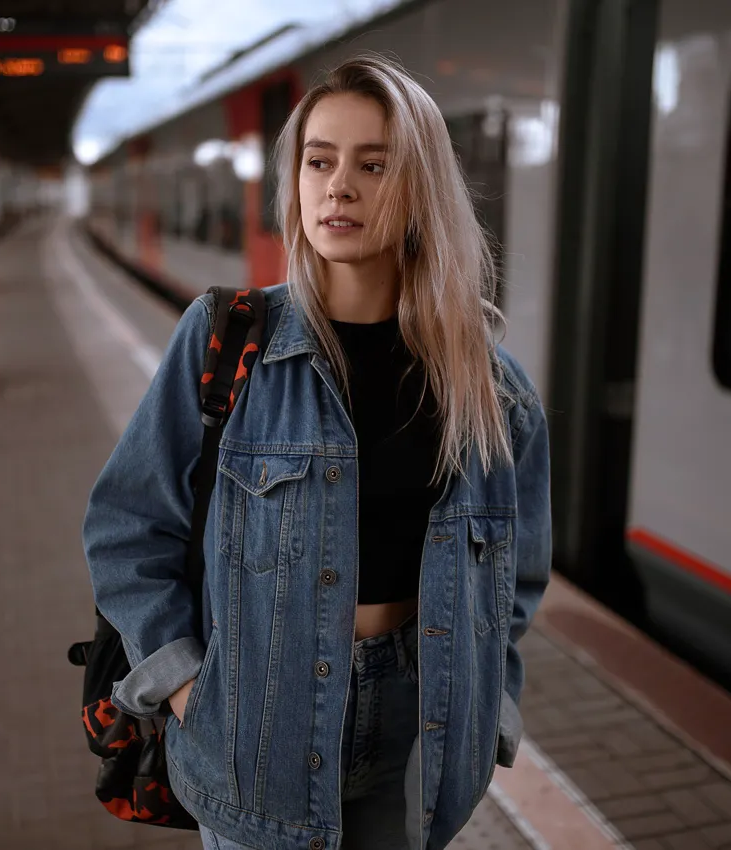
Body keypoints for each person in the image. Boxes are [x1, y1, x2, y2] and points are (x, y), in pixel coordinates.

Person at [83, 54, 551, 850]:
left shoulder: (491, 386)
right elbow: (127, 528)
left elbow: (515, 579)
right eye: (319, 160)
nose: (340, 186)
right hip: (258, 726)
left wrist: (489, 707)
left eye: (375, 164)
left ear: (422, 192)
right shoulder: (229, 342)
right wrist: (191, 689)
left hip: (420, 732)